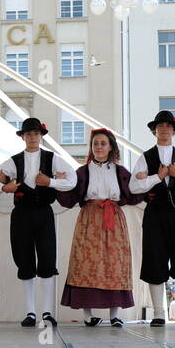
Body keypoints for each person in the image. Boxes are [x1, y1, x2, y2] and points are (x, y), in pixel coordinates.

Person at [0, 117, 76, 328]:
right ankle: (30, 312)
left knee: (47, 260)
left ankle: (47, 312)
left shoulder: (53, 159)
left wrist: (51, 181)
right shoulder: (13, 161)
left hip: (44, 214)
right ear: (23, 137)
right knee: (24, 261)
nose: (32, 137)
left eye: (36, 133)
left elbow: (72, 180)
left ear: (41, 136)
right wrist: (4, 188)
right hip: (22, 215)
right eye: (28, 134)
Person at [55, 128, 141, 327]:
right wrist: (58, 181)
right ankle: (88, 315)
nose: (99, 147)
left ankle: (115, 314)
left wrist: (146, 177)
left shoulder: (120, 172)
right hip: (89, 220)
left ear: (111, 147)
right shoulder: (82, 171)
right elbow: (69, 197)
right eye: (95, 144)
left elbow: (135, 193)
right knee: (85, 263)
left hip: (114, 220)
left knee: (115, 263)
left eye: (103, 143)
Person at [129, 110, 175, 327]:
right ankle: (159, 313)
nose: (164, 129)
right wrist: (158, 177)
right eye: (160, 126)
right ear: (155, 130)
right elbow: (134, 186)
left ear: (173, 130)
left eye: (168, 126)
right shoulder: (146, 157)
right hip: (155, 212)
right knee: (155, 258)